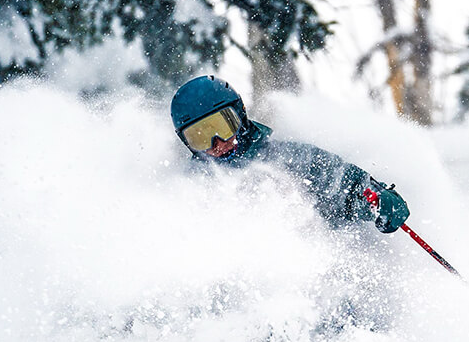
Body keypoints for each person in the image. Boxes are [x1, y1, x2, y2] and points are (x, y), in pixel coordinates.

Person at [169, 75, 410, 234]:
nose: (217, 143)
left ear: (240, 114)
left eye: (223, 127)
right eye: (199, 137)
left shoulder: (290, 159)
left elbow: (348, 186)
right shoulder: (188, 189)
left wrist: (379, 202)